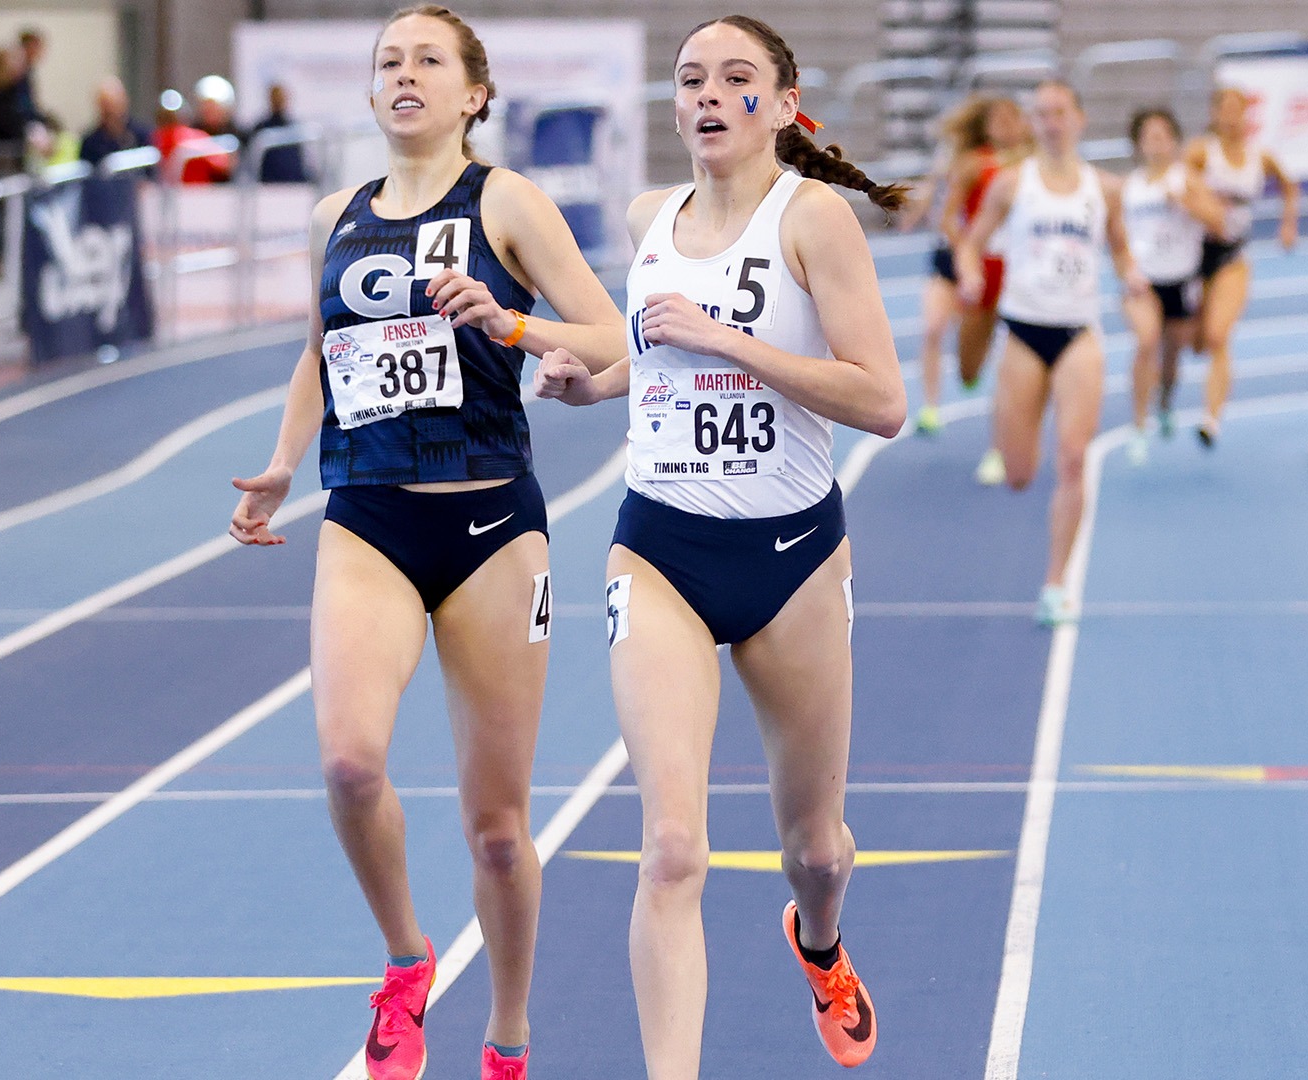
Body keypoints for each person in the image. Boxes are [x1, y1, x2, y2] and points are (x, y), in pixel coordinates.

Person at [225, 7, 625, 1079]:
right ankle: (407, 959)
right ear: (370, 93)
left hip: (492, 528)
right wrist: (282, 461)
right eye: (389, 62)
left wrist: (512, 324)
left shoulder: (508, 201)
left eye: (428, 60)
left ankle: (508, 1036)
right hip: (368, 517)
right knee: (350, 763)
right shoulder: (336, 215)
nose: (405, 75)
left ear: (473, 94)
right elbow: (322, 351)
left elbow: (611, 337)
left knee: (496, 827)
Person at [532, 15, 905, 1079]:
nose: (707, 94)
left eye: (735, 77)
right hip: (660, 551)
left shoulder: (814, 220)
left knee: (816, 851)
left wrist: (729, 342)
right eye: (690, 77)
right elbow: (654, 363)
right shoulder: (649, 218)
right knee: (671, 849)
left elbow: (882, 400)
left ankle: (820, 945)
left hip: (793, 559)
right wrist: (589, 385)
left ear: (783, 105)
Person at [957, 79, 1140, 626]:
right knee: (1018, 473)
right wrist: (969, 274)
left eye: (1060, 112)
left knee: (1074, 458)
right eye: (1042, 114)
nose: (1052, 122)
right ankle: (1012, 443)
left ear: (1080, 119)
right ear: (1033, 123)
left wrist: (1132, 278)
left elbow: (1121, 249)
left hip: (1078, 334)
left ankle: (1056, 585)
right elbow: (970, 242)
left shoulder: (1105, 189)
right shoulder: (1012, 184)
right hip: (1023, 333)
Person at [1184, 86, 1298, 449]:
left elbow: (1289, 186)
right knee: (1195, 342)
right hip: (1193, 256)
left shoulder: (1259, 157)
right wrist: (1205, 207)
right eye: (1226, 109)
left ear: (1247, 115)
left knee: (1218, 336)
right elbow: (1177, 185)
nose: (1232, 117)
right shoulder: (1201, 152)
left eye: (1238, 109)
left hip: (1233, 256)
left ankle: (1211, 419)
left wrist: (1288, 224)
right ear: (1215, 113)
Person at [913, 95, 1027, 441]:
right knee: (933, 326)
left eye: (1011, 118)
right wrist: (966, 252)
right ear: (986, 127)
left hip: (1005, 267)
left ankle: (996, 424)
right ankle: (930, 407)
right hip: (955, 259)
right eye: (998, 120)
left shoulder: (1031, 165)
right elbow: (948, 217)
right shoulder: (972, 163)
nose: (1006, 126)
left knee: (982, 358)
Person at [1120, 107, 1224, 463]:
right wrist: (1127, 268)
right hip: (1144, 282)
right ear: (1138, 143)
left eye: (1163, 136)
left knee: (1171, 357)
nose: (1156, 143)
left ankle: (1164, 402)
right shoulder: (1129, 187)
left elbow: (1218, 222)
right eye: (1149, 137)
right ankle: (1138, 426)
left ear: (1175, 141)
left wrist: (1186, 203)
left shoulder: (1186, 179)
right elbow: (1117, 237)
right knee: (1146, 341)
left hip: (1180, 281)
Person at [79, 76, 154, 166]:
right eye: (106, 106)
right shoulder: (90, 143)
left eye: (115, 104)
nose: (111, 111)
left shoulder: (142, 135)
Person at [250, 82, 314, 183]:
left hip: (295, 183)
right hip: (268, 184)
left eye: (281, 98)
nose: (279, 101)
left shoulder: (295, 128)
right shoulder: (261, 129)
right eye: (276, 98)